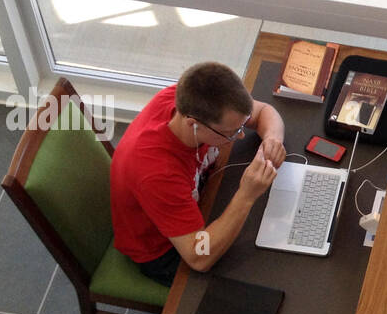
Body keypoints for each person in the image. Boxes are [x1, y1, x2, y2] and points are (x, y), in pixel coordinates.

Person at [110, 61, 287, 284]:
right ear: (193, 124)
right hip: (167, 251)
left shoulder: (191, 97)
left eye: (242, 126)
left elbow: (264, 112)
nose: (240, 136)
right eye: (231, 132)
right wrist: (246, 196)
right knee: (266, 273)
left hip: (197, 202)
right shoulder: (157, 173)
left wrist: (272, 139)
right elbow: (199, 256)